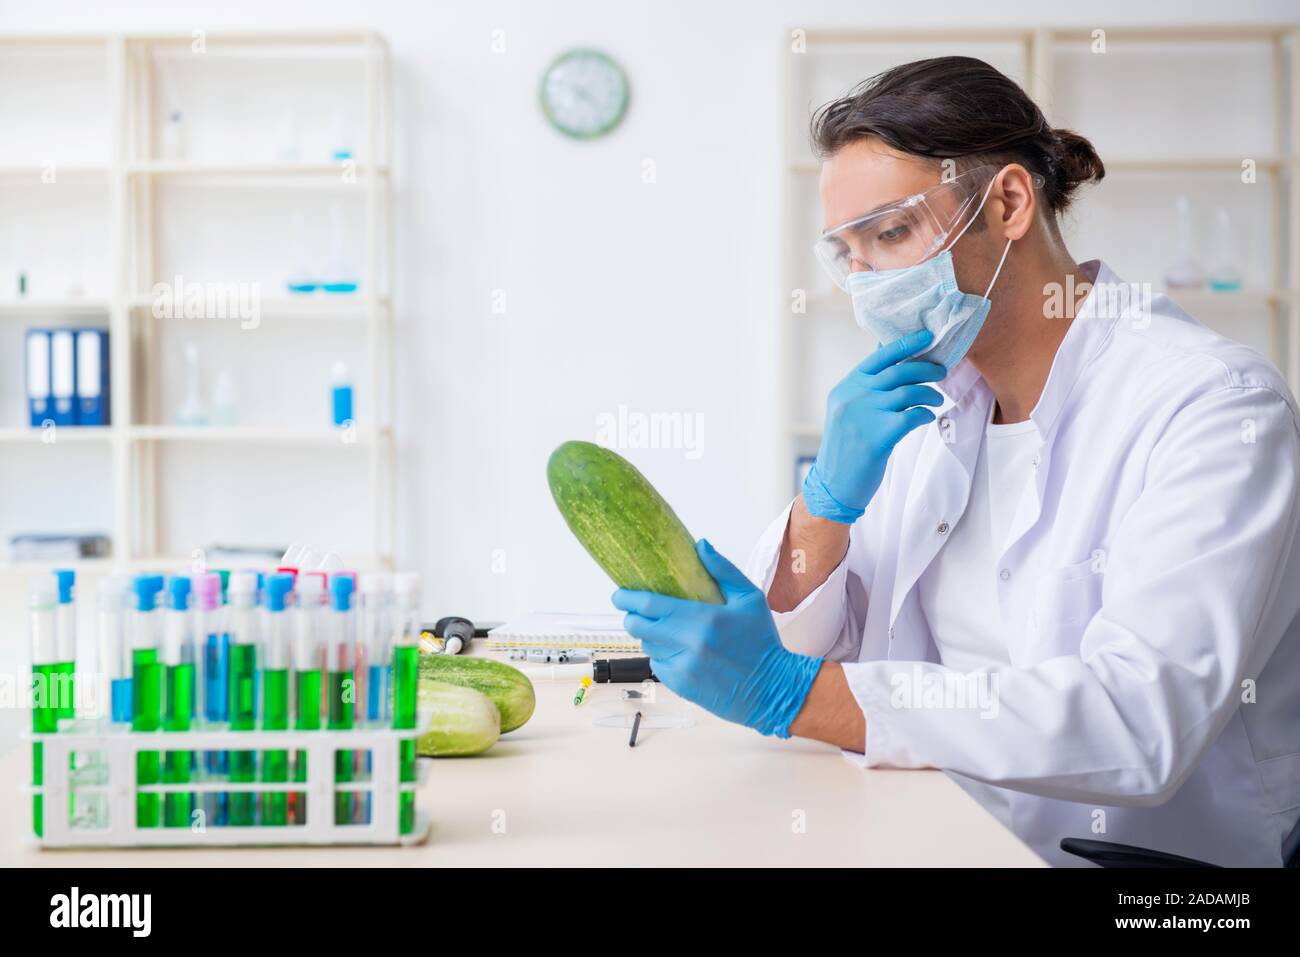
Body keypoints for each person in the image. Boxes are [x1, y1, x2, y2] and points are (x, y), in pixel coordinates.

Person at [612, 56, 1300, 867]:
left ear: (1008, 203)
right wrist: (823, 505)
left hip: (1153, 877)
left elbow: (1141, 720)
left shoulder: (1212, 405)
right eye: (848, 253)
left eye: (890, 233)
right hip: (937, 832)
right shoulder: (926, 411)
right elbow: (809, 642)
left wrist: (788, 693)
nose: (867, 282)